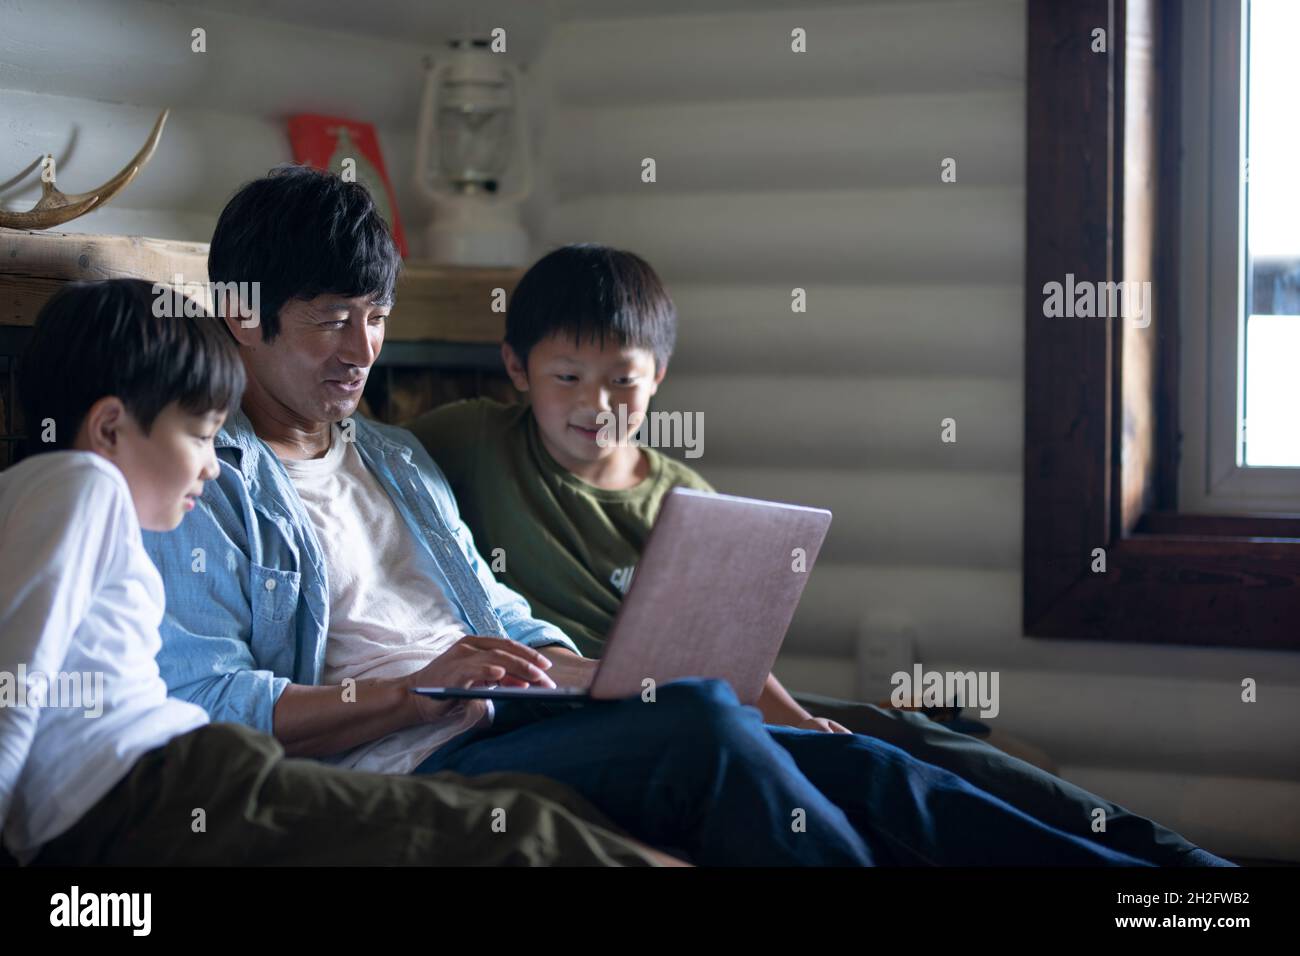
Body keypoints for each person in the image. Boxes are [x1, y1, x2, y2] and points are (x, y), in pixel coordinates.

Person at [146, 164, 1201, 866]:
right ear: (242, 314)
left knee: (853, 752)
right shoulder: (202, 477)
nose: (362, 349)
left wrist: (560, 661)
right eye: (331, 320)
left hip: (517, 708)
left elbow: (497, 607)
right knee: (702, 728)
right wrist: (413, 693)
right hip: (414, 751)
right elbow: (206, 696)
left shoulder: (398, 454)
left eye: (376, 316)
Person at [404, 242, 1233, 868]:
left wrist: (799, 717)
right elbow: (355, 473)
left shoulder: (683, 497)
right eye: (567, 378)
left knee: (923, 742)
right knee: (865, 763)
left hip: (705, 691)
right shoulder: (466, 440)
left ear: (659, 378)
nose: (596, 405)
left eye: (622, 379)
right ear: (516, 370)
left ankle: (1175, 869)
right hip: (617, 715)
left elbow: (726, 650)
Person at [0, 278, 675, 867]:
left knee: (535, 808)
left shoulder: (63, 498)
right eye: (201, 435)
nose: (212, 464)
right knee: (516, 834)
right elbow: (14, 684)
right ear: (111, 429)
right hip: (161, 789)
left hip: (186, 778)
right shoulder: (82, 486)